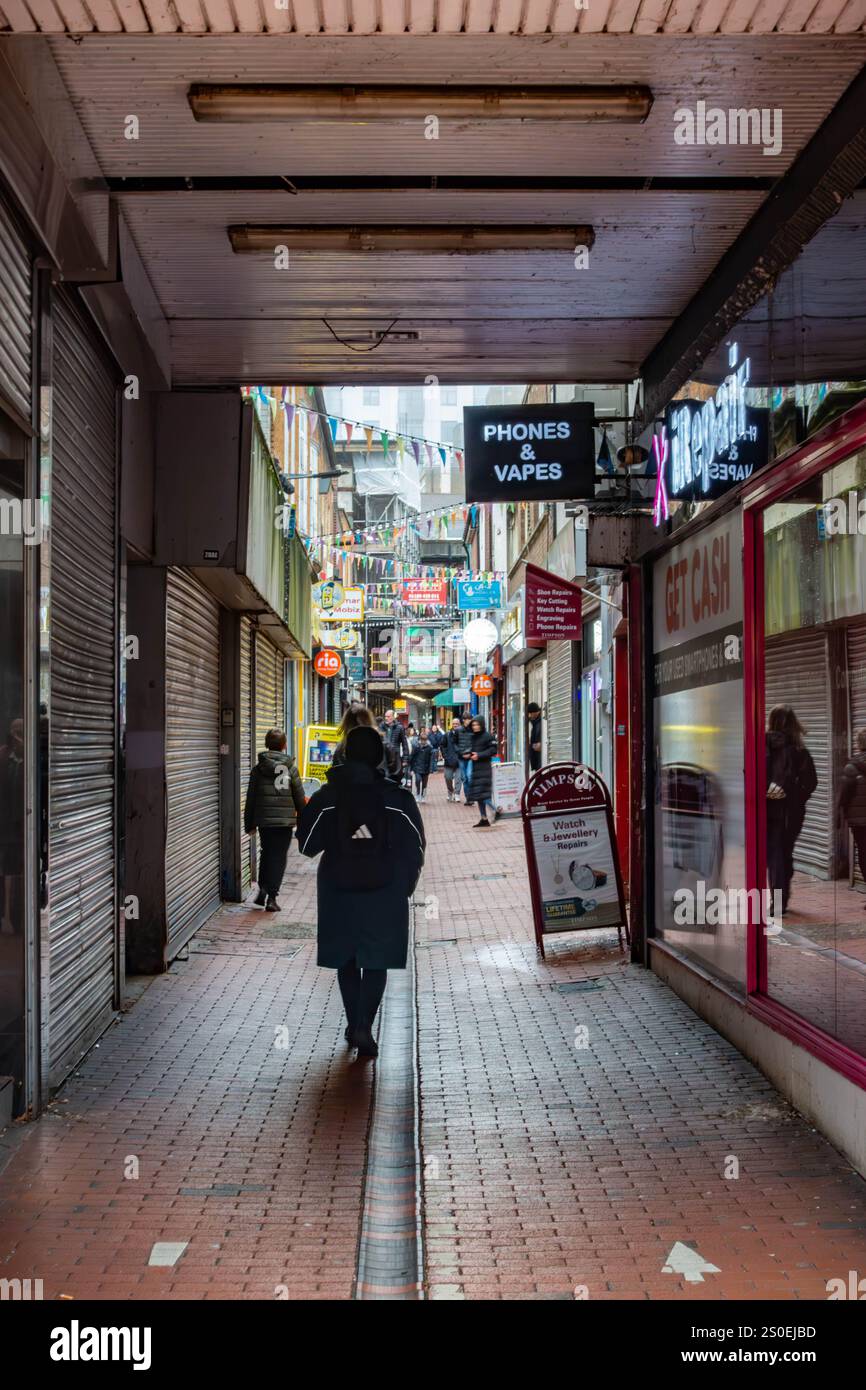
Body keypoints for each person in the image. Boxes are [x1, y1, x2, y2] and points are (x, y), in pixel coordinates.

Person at [298, 725, 425, 1058]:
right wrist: (406, 885)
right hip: (386, 889)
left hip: (338, 889)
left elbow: (307, 844)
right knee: (377, 960)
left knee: (347, 958)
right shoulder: (398, 798)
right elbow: (415, 847)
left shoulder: (328, 796)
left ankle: (354, 1021)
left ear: (346, 753)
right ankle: (364, 1025)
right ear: (379, 756)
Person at [244, 728, 306, 911]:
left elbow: (251, 798)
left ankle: (263, 889)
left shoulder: (258, 769)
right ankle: (271, 897)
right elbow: (299, 797)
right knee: (278, 858)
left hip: (265, 822)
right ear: (284, 745)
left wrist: (249, 823)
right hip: (284, 823)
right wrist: (303, 820)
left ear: (266, 744)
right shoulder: (291, 768)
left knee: (267, 853)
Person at [765, 705, 817, 914]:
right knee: (784, 853)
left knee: (775, 855)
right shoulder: (799, 751)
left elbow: (748, 773)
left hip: (768, 811)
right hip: (791, 813)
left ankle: (779, 900)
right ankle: (781, 897)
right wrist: (791, 796)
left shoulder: (761, 746)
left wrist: (765, 792)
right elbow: (810, 782)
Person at [838, 727, 866, 906]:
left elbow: (844, 797)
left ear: (858, 744)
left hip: (860, 821)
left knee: (864, 854)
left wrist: (840, 818)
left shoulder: (852, 767)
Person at [332, 703, 396, 778]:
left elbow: (336, 775)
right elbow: (394, 771)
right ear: (368, 721)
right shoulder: (383, 744)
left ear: (346, 724)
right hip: (379, 787)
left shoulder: (341, 749)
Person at [468, 716, 497, 828]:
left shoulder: (488, 736)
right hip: (476, 768)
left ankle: (497, 811)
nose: (475, 727)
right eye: (474, 725)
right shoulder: (473, 737)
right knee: (479, 795)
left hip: (484, 769)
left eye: (477, 725)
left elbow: (493, 750)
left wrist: (479, 755)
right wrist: (468, 754)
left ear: (482, 725)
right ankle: (484, 818)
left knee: (484, 795)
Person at [381, 709, 409, 784]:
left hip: (395, 758)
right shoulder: (381, 727)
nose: (386, 718)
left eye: (388, 716)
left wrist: (405, 759)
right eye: (385, 716)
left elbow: (404, 744)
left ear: (393, 717)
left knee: (395, 778)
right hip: (384, 758)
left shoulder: (399, 728)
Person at [442, 717, 464, 803]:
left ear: (460, 725)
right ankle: (450, 791)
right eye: (454, 724)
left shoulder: (462, 735)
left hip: (459, 761)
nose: (455, 725)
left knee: (459, 778)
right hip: (449, 761)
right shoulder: (447, 735)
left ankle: (457, 794)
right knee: (448, 777)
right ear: (452, 724)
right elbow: (443, 746)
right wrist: (445, 756)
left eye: (457, 724)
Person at [409, 728, 435, 802]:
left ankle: (423, 796)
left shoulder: (430, 748)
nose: (423, 742)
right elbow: (412, 757)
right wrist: (411, 769)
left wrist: (431, 769)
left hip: (426, 768)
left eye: (425, 740)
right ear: (420, 739)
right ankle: (417, 794)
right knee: (417, 780)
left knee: (424, 784)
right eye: (422, 740)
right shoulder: (416, 746)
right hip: (417, 767)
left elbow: (431, 759)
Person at [457, 714, 475, 804]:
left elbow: (475, 743)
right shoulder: (458, 730)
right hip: (461, 758)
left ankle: (471, 797)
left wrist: (471, 753)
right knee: (464, 778)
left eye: (470, 719)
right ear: (463, 720)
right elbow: (454, 744)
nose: (469, 721)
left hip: (470, 757)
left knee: (469, 776)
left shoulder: (473, 730)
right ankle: (468, 798)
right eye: (468, 719)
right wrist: (461, 753)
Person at [527, 702, 543, 772]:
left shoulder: (541, 722)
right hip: (537, 759)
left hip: (541, 759)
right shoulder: (535, 722)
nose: (529, 716)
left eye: (531, 713)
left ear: (536, 712)